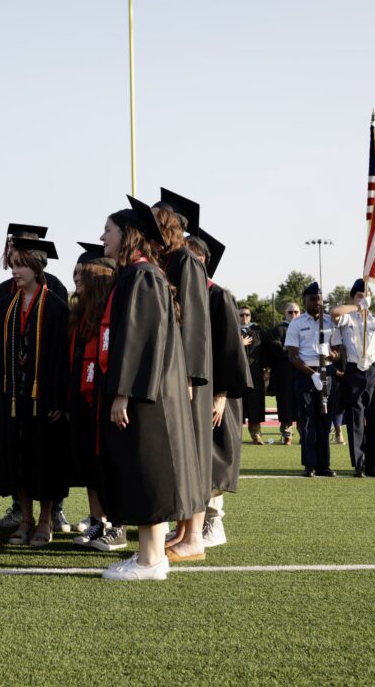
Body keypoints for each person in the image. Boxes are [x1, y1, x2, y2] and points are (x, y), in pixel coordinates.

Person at [97, 200, 201, 581]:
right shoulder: (137, 274)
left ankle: (152, 560)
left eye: (108, 230)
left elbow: (140, 341)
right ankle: (147, 554)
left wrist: (123, 392)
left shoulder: (143, 276)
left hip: (146, 397)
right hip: (146, 393)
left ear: (127, 235)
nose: (102, 237)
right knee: (140, 472)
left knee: (147, 472)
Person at [0, 237, 70, 547]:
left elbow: (62, 358)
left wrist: (60, 399)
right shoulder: (6, 305)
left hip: (43, 398)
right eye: (13, 264)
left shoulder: (56, 306)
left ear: (37, 268)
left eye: (21, 265)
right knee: (18, 457)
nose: (15, 270)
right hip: (13, 396)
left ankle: (46, 520)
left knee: (44, 458)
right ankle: (25, 519)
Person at [148, 190, 212, 564]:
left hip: (189, 375)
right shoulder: (168, 259)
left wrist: (189, 375)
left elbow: (195, 322)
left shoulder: (186, 260)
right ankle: (184, 531)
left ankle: (195, 538)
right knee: (183, 454)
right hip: (176, 373)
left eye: (155, 218)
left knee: (195, 453)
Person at [187, 230, 251, 547]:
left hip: (218, 391)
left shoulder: (217, 296)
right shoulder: (186, 295)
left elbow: (230, 350)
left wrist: (221, 393)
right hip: (197, 389)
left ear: (200, 260)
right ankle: (192, 524)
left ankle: (214, 523)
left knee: (215, 457)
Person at [66, 243, 121, 550]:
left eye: (82, 273)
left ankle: (118, 524)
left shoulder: (112, 313)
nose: (77, 278)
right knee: (90, 464)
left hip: (105, 398)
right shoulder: (80, 313)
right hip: (82, 400)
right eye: (75, 273)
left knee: (109, 464)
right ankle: (98, 521)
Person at [331, 279, 375, 477]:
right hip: (354, 370)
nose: (364, 298)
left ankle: (373, 464)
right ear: (353, 298)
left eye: (367, 295)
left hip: (374, 370)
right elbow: (334, 312)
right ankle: (358, 464)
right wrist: (358, 307)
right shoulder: (347, 319)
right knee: (355, 420)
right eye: (359, 295)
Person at [285, 282, 341, 477]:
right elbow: (292, 356)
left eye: (319, 299)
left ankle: (324, 464)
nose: (316, 303)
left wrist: (330, 354)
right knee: (307, 421)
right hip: (306, 374)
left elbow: (337, 353)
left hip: (328, 373)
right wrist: (312, 374)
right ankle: (310, 465)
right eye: (312, 299)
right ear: (305, 301)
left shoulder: (330, 322)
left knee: (325, 421)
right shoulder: (297, 323)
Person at [266, 303, 301, 444]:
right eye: (290, 312)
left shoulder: (305, 327)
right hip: (283, 374)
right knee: (285, 403)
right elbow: (276, 347)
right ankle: (287, 434)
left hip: (302, 372)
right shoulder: (278, 329)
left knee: (303, 403)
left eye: (296, 312)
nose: (293, 314)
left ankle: (304, 434)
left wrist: (290, 349)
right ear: (285, 313)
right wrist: (295, 351)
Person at [238, 305, 268, 444]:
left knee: (255, 403)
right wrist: (239, 343)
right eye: (241, 315)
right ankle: (235, 436)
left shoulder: (258, 331)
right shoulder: (232, 330)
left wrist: (267, 369)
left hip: (255, 373)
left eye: (247, 315)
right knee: (238, 404)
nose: (244, 317)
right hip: (237, 373)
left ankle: (256, 434)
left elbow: (266, 351)